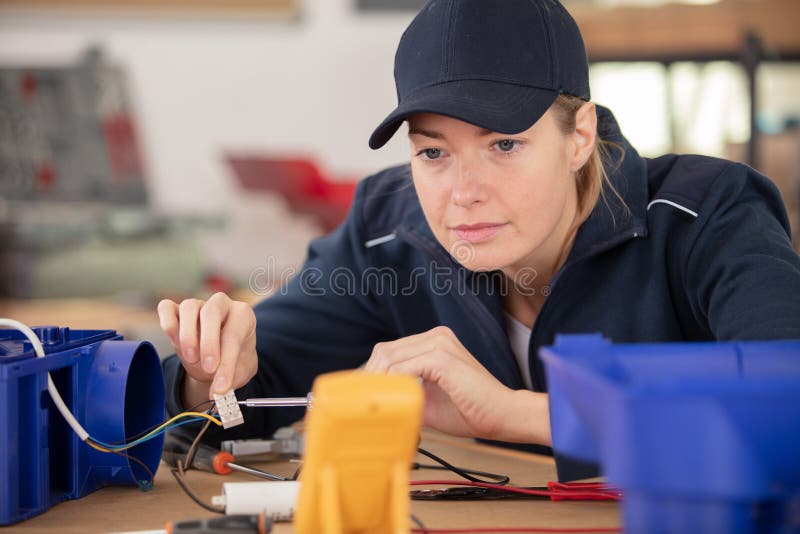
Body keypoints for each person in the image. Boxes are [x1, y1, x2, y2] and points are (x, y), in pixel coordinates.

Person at [158, 0, 800, 480]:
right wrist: (209, 380)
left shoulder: (707, 212)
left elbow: (786, 406)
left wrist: (512, 412)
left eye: (505, 144)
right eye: (434, 152)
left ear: (579, 136)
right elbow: (238, 412)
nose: (463, 191)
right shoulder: (388, 228)